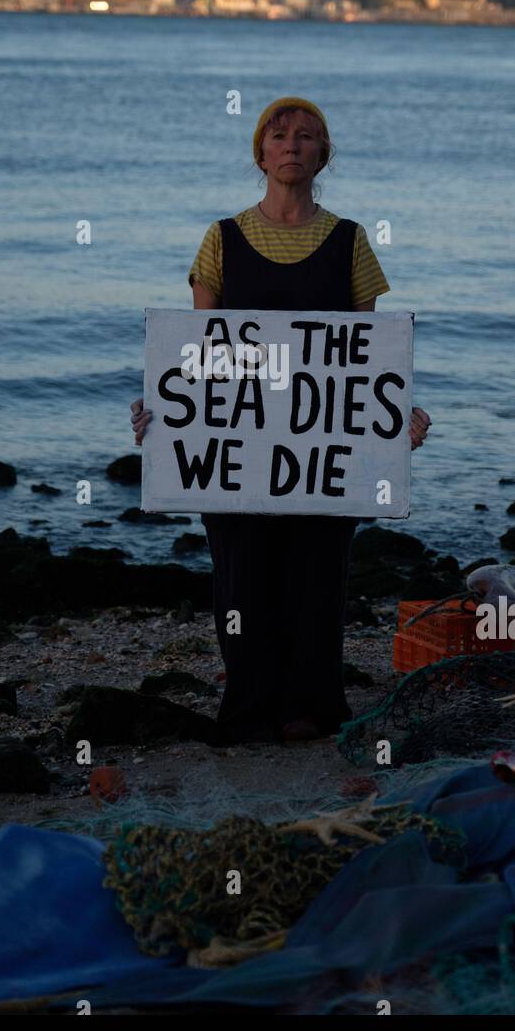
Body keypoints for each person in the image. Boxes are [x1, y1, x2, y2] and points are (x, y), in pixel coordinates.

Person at [130, 97, 431, 744]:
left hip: (323, 453)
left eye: (308, 136)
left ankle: (313, 709)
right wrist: (163, 414)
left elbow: (367, 356)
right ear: (260, 152)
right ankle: (250, 708)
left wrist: (396, 415)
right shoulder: (222, 239)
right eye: (280, 134)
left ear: (324, 155)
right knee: (242, 581)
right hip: (238, 448)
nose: (293, 144)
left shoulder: (351, 241)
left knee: (318, 577)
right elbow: (198, 354)